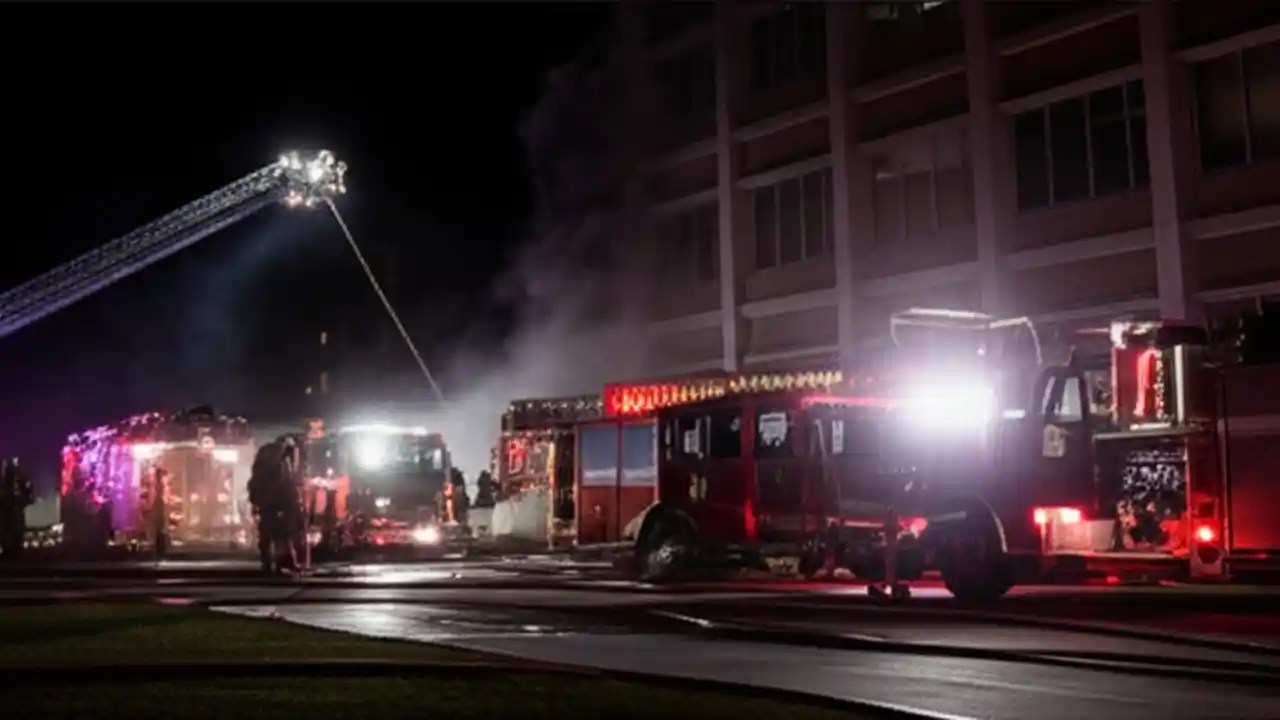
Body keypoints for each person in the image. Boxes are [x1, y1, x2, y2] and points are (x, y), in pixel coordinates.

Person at [0, 458, 34, 559]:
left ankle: (13, 550)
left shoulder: (15, 486)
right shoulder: (7, 487)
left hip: (13, 516)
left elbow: (28, 496)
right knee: (10, 533)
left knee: (14, 533)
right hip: (10, 517)